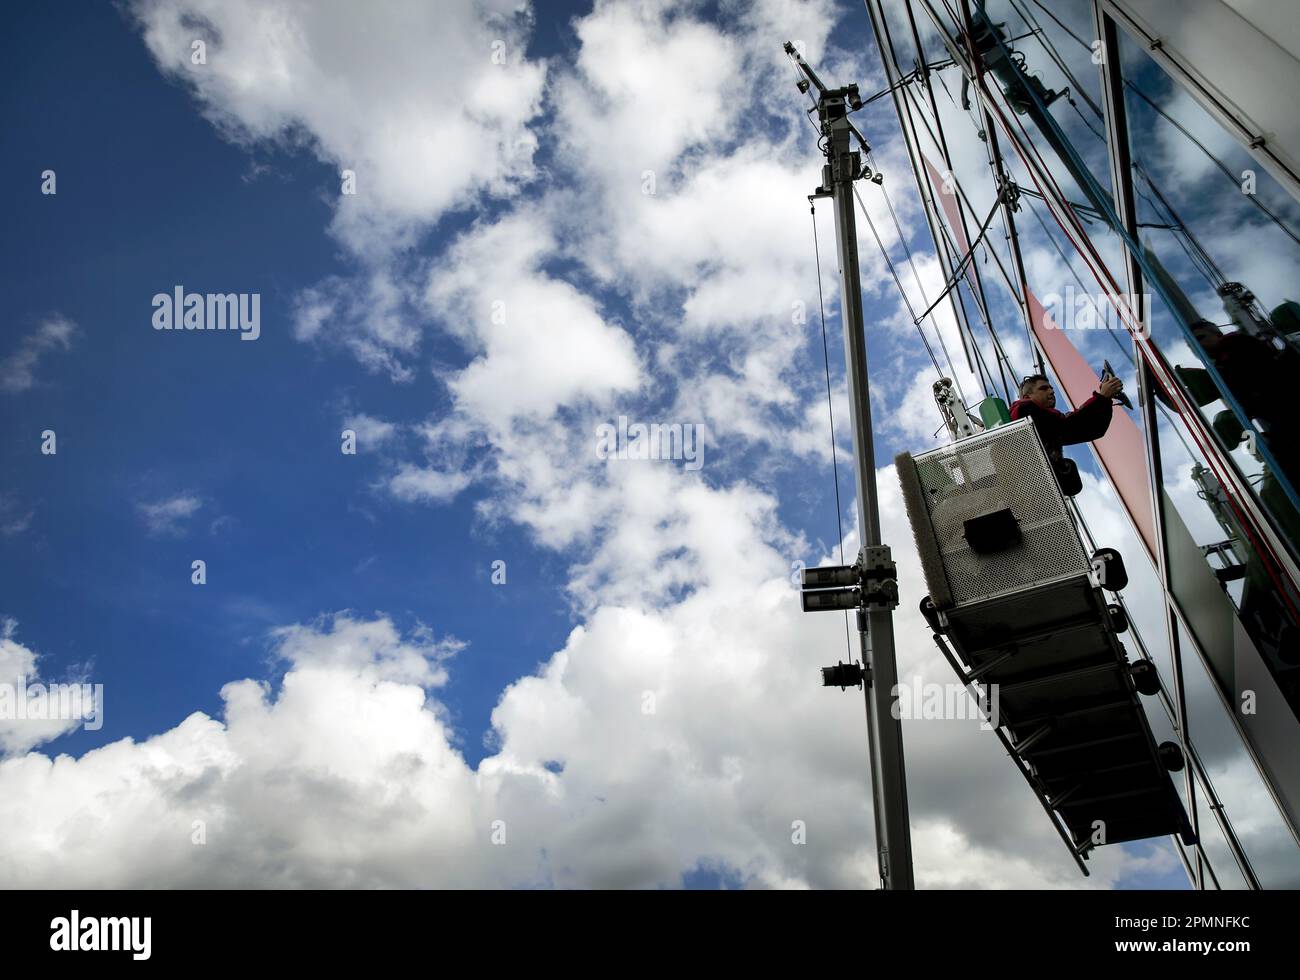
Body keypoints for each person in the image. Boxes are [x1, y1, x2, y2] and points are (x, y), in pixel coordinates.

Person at [1009, 374, 1123, 494]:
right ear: (1027, 397)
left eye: (1051, 388)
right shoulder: (1024, 409)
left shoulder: (1043, 419)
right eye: (1043, 388)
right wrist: (1102, 398)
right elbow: (1069, 426)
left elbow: (1092, 430)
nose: (1051, 391)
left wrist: (1104, 400)